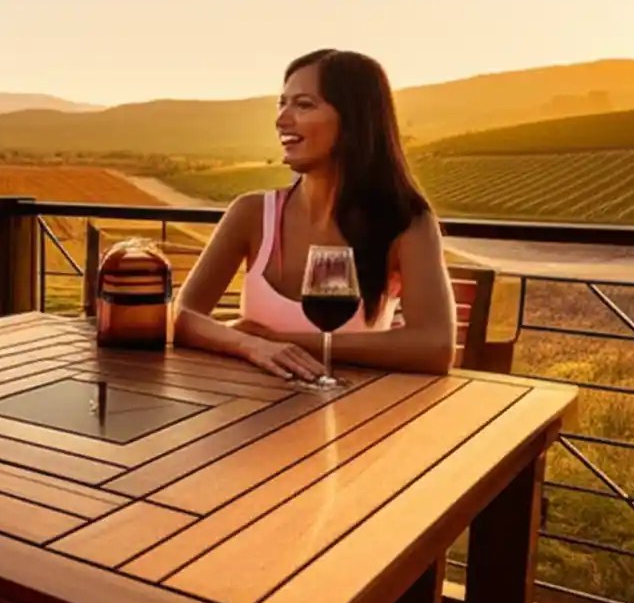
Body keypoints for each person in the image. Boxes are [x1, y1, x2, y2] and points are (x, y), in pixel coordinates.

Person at [174, 49, 456, 381]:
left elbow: (435, 346)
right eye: (282, 103)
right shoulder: (251, 213)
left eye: (304, 105)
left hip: (357, 411)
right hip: (247, 409)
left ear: (354, 119)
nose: (282, 119)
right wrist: (248, 345)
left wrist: (285, 342)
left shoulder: (406, 222)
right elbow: (182, 315)